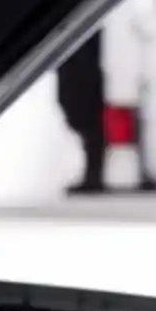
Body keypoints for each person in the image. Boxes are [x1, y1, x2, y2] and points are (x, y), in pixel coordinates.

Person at [56, 31, 107, 194]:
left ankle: (93, 176)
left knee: (89, 125)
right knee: (85, 123)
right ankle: (93, 176)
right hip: (79, 70)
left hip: (83, 74)